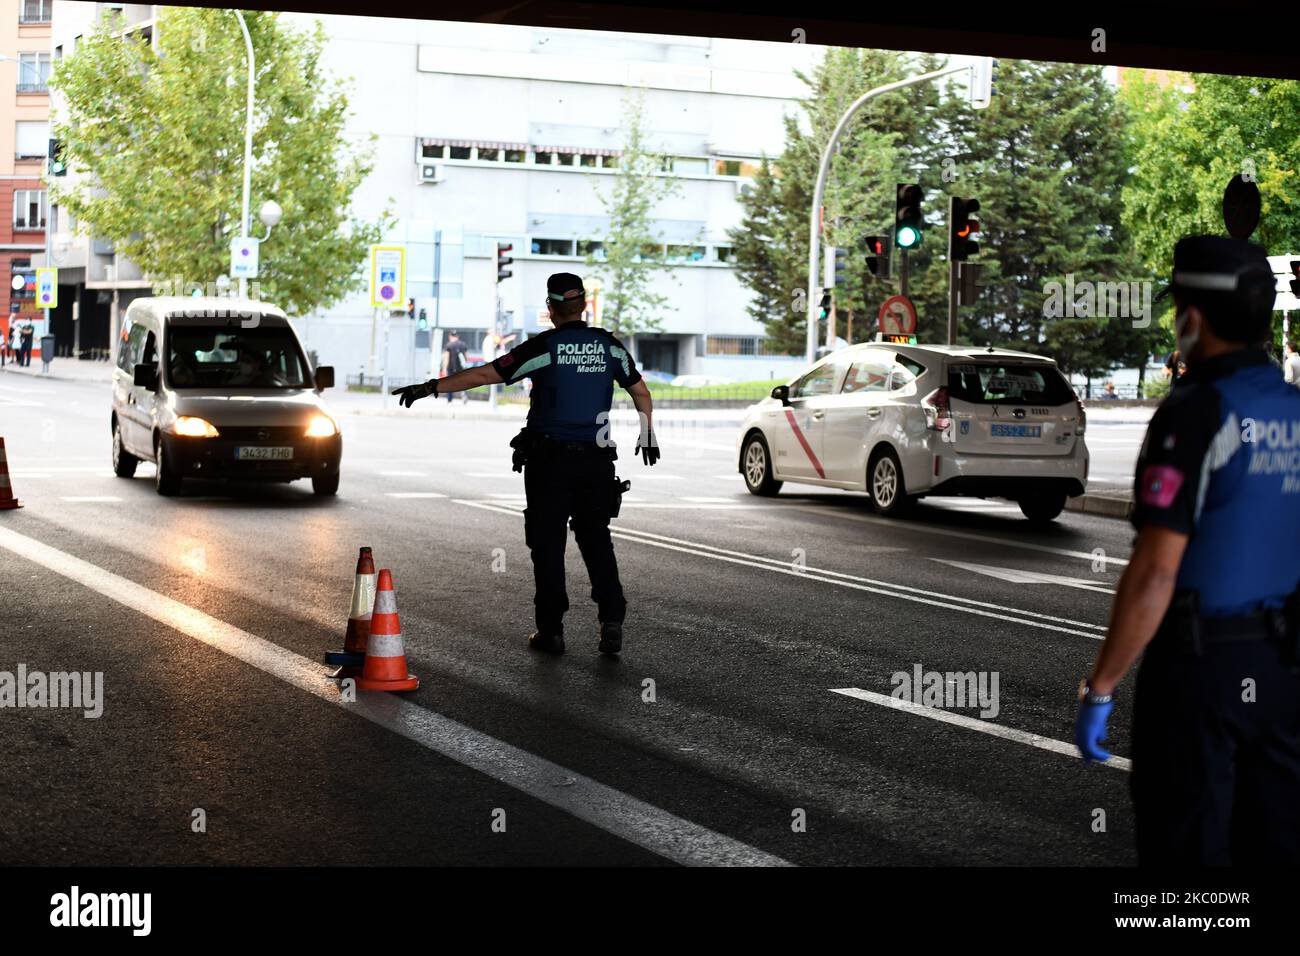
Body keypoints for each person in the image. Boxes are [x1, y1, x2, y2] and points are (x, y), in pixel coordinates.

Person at [1075, 235, 1300, 866]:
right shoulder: (1293, 408)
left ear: (1193, 319)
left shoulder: (1197, 412)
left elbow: (1153, 574)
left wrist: (1102, 686)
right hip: (1284, 674)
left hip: (1203, 675)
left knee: (1188, 863)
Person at [393, 273, 658, 656]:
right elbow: (640, 391)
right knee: (596, 538)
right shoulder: (609, 348)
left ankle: (551, 631)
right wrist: (647, 432)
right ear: (583, 306)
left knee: (548, 545)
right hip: (597, 463)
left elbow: (488, 374)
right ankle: (611, 620)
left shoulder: (544, 347)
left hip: (550, 463)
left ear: (551, 310)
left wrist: (432, 386)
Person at [441, 330, 468, 403]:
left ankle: (450, 399)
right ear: (457, 336)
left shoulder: (449, 345)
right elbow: (466, 357)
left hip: (451, 367)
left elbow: (446, 358)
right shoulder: (463, 344)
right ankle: (463, 393)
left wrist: (444, 368)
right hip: (461, 368)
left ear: (450, 336)